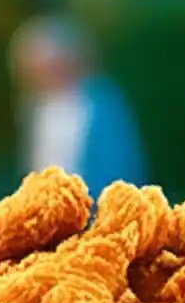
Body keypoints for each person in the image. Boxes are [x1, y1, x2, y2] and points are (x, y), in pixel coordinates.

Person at [10, 16, 147, 197]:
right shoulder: (37, 107)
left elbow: (120, 166)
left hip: (96, 209)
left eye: (55, 64)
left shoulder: (100, 101)